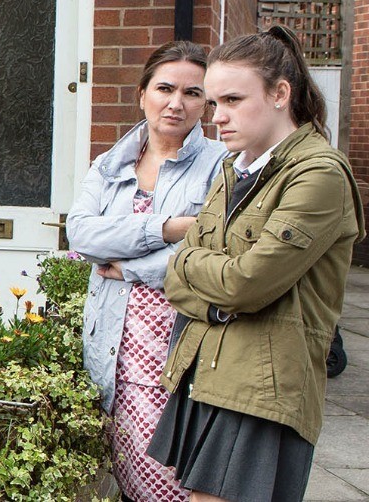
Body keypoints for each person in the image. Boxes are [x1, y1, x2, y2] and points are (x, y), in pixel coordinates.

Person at [148, 26, 364, 502]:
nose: (217, 118)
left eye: (232, 100)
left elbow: (245, 282)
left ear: (280, 94)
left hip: (263, 385)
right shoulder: (234, 166)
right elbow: (176, 272)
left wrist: (208, 279)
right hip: (209, 367)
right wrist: (213, 290)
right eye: (213, 104)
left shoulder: (319, 174)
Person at [67, 41, 224, 502]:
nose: (177, 103)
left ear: (205, 103)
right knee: (129, 475)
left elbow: (218, 251)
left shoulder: (222, 165)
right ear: (142, 94)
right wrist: (171, 226)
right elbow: (82, 235)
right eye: (165, 88)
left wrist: (134, 267)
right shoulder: (111, 163)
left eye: (193, 93)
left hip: (177, 346)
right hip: (114, 344)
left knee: (177, 480)